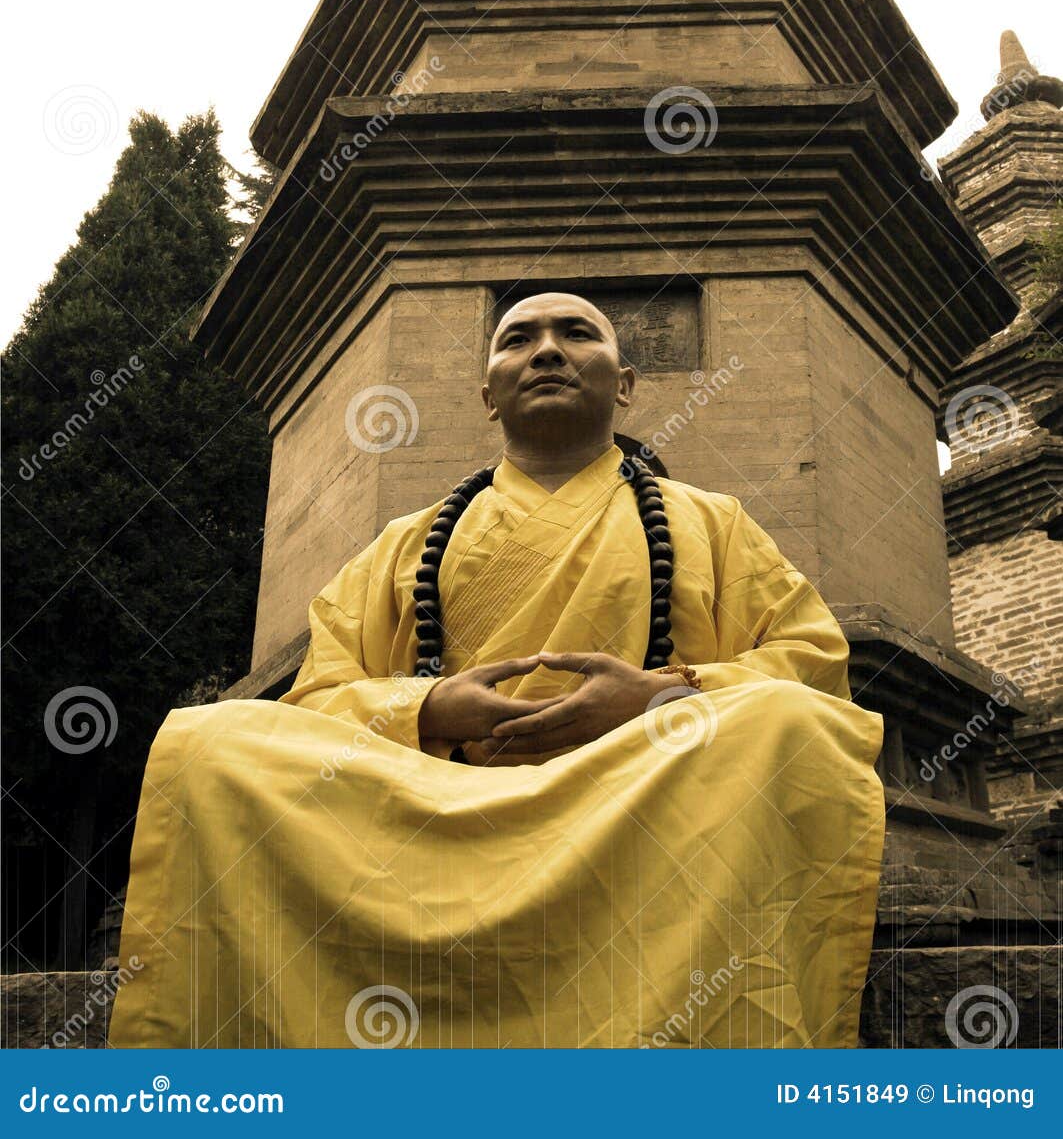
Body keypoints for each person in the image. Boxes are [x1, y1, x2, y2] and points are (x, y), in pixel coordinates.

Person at [108, 290, 885, 1049]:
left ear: (624, 385)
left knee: (787, 719)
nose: (546, 350)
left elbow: (811, 661)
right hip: (431, 812)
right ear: (487, 396)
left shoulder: (709, 522)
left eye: (576, 333)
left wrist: (658, 697)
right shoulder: (404, 544)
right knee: (211, 742)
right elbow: (320, 697)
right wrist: (428, 709)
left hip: (645, 802)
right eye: (518, 339)